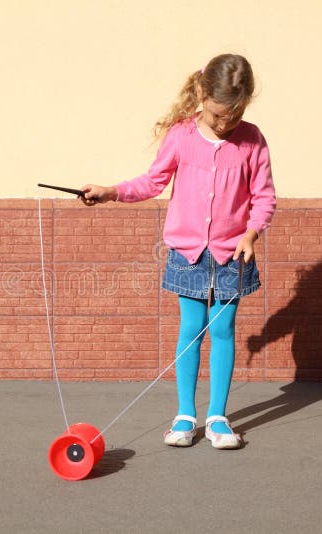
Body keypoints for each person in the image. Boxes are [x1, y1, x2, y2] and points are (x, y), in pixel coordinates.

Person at [81, 53, 276, 449]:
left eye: (234, 117)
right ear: (203, 95)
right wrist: (111, 192)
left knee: (221, 328)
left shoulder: (252, 140)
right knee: (191, 330)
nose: (225, 124)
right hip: (187, 252)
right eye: (220, 115)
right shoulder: (182, 136)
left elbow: (264, 196)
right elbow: (153, 182)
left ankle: (218, 417)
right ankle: (185, 415)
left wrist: (252, 233)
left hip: (231, 254)